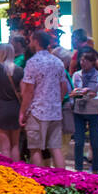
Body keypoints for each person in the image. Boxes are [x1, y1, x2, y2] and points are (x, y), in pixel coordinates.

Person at [18, 30, 70, 168]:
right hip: (55, 112)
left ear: (36, 41)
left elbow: (28, 91)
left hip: (37, 111)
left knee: (35, 149)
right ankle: (62, 183)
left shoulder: (33, 62)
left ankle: (39, 181)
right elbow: (64, 87)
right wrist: (56, 102)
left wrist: (22, 112)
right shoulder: (57, 62)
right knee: (55, 148)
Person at [0, 43, 23, 161]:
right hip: (15, 109)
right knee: (15, 144)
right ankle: (18, 172)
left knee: (4, 146)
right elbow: (23, 92)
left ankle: (8, 174)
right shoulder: (19, 70)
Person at [70, 49, 98, 173]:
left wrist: (91, 94)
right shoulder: (76, 75)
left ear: (92, 62)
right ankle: (78, 168)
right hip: (79, 111)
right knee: (79, 141)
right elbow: (72, 91)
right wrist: (76, 93)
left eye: (86, 61)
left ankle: (97, 167)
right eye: (81, 60)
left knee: (95, 141)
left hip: (94, 111)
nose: (83, 63)